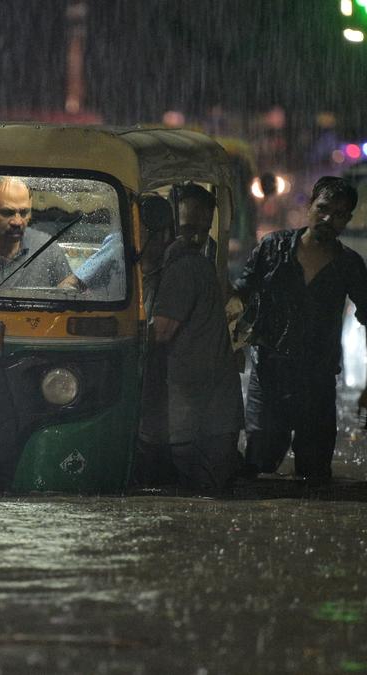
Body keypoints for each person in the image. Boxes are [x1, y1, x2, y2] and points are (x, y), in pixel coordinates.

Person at [234, 176, 367, 482]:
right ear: (310, 206)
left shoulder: (348, 265)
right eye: (323, 208)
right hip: (268, 376)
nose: (328, 219)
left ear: (348, 221)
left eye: (339, 215)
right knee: (257, 467)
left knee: (315, 477)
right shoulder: (272, 249)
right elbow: (238, 298)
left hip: (317, 382)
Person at [139, 183, 243, 491]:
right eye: (187, 229)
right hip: (209, 418)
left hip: (198, 424)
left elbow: (160, 332)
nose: (196, 238)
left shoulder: (184, 267)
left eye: (201, 229)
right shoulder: (187, 264)